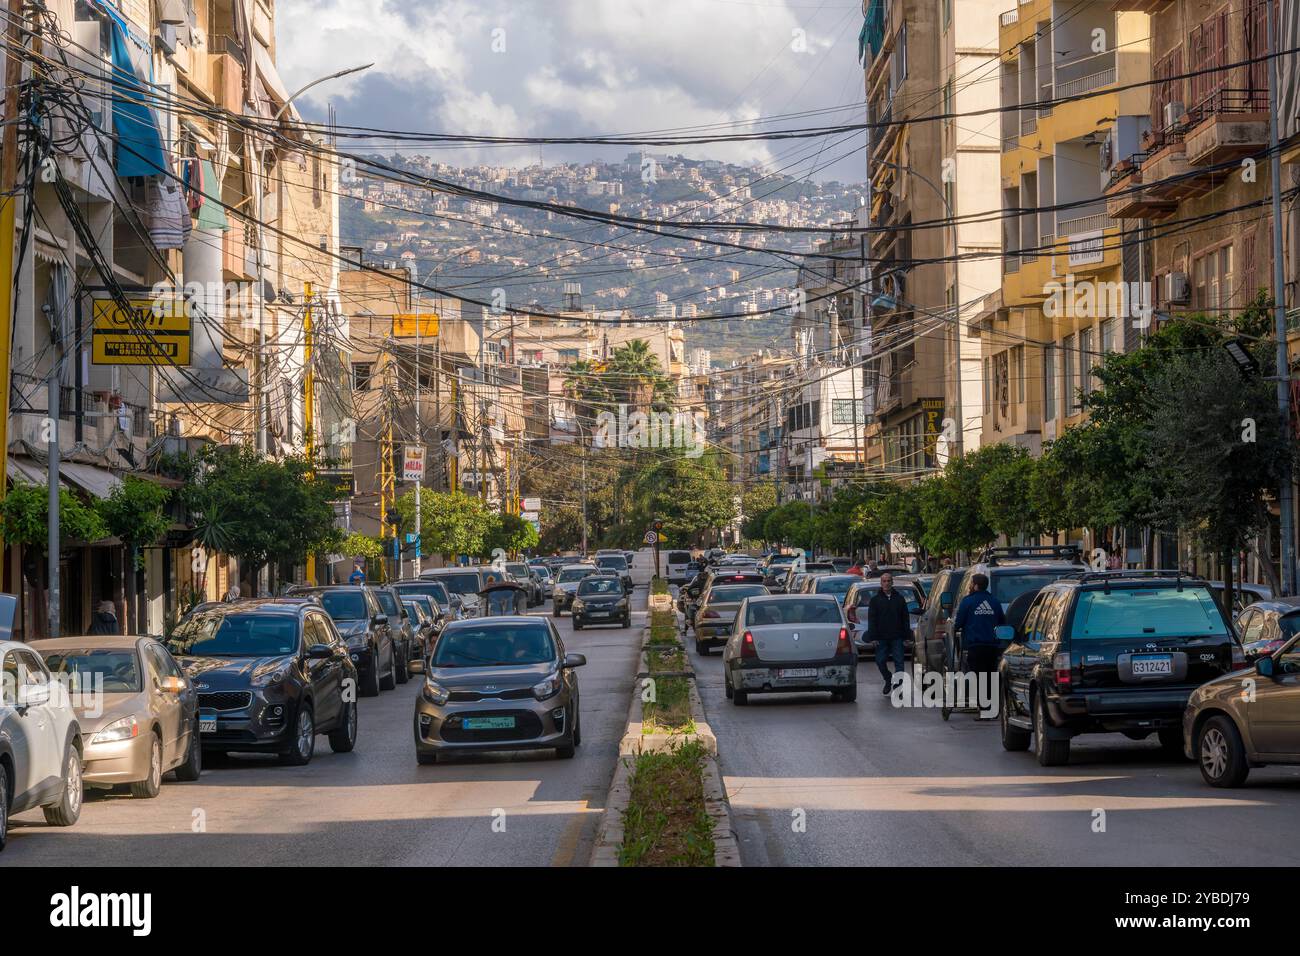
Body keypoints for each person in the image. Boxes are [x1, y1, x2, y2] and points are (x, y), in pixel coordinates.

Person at [953, 573, 1006, 717]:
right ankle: (992, 708)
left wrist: (955, 628)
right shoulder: (994, 602)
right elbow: (1002, 621)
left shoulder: (968, 601)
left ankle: (984, 708)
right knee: (991, 675)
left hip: (975, 645)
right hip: (992, 646)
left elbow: (958, 623)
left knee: (978, 676)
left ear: (975, 585)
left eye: (971, 583)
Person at [866, 572, 910, 695]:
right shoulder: (875, 600)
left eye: (889, 581)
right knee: (880, 661)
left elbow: (905, 618)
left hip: (897, 636)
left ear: (892, 582)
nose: (886, 583)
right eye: (884, 581)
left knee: (899, 663)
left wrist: (907, 636)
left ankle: (898, 686)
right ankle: (888, 679)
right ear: (881, 583)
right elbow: (872, 619)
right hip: (881, 637)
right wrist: (873, 637)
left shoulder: (899, 599)